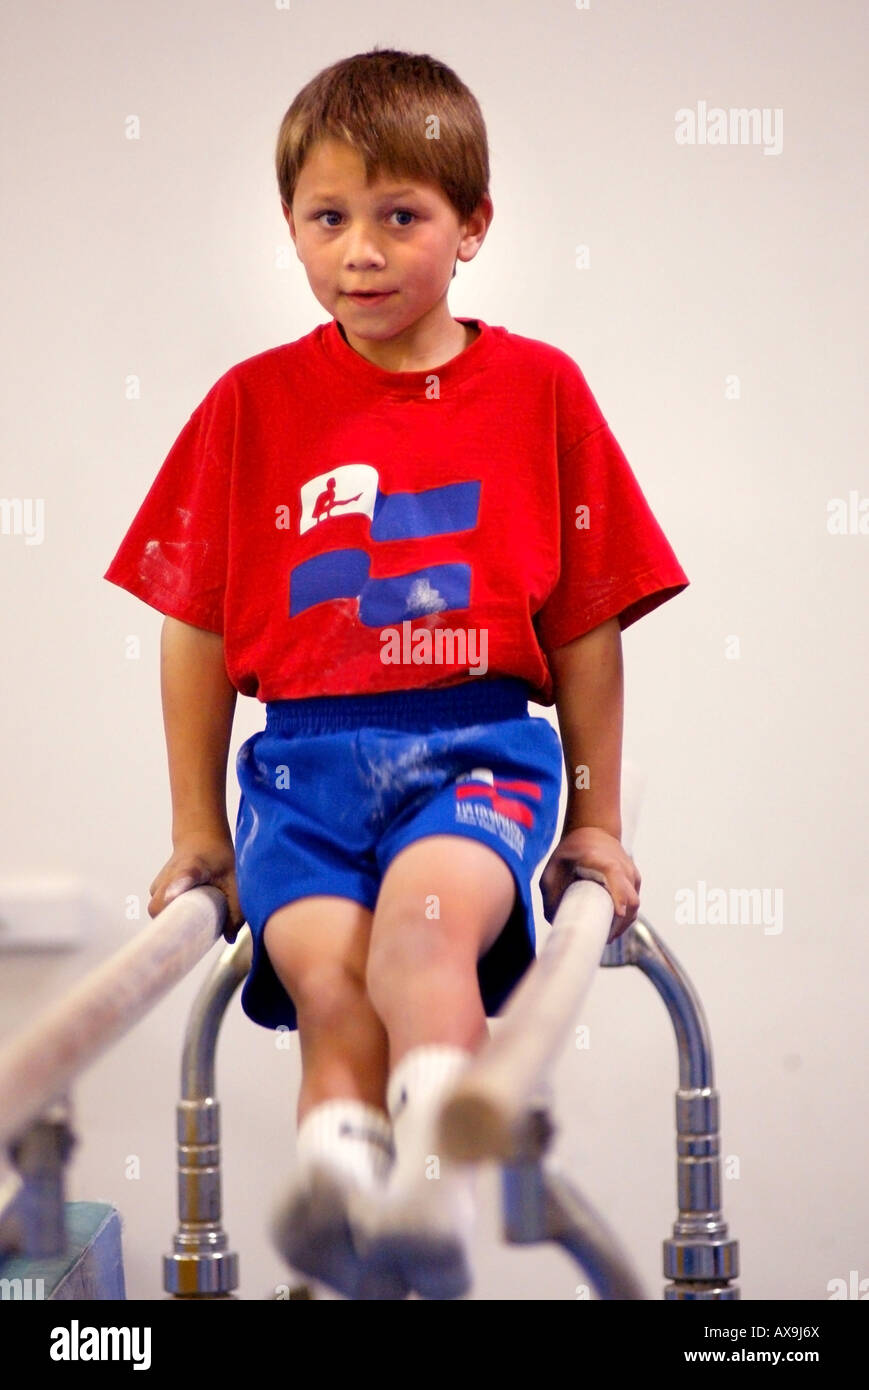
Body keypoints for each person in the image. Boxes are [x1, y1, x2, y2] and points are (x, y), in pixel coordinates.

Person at [103, 47, 689, 1301]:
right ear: (288, 228)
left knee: (418, 947)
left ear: (472, 225)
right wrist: (200, 827)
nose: (359, 253)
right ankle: (344, 1197)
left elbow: (588, 626)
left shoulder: (537, 391)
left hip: (470, 751)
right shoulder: (248, 405)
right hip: (298, 772)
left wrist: (592, 819)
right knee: (330, 988)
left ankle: (432, 1188)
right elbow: (194, 629)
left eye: (399, 217)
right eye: (328, 219)